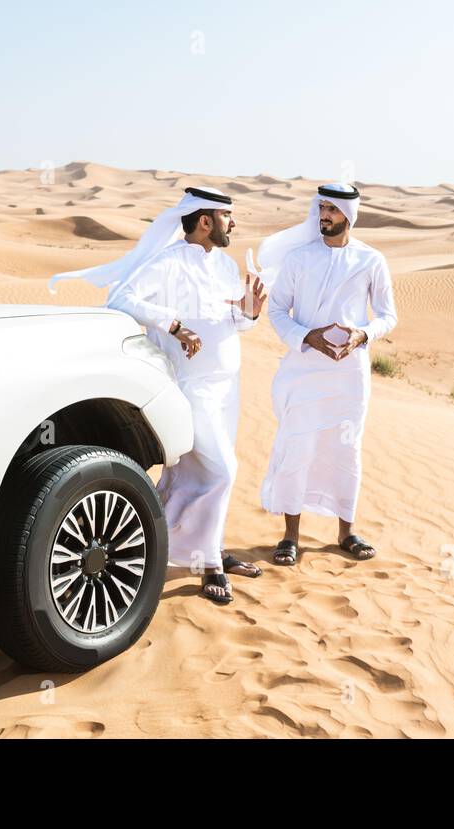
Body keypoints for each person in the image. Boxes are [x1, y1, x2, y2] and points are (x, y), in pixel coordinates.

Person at [49, 186, 266, 605]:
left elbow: (234, 322)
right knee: (221, 471)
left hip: (227, 386)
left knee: (200, 474)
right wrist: (172, 324)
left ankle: (200, 547)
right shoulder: (166, 263)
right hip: (189, 387)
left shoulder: (223, 264)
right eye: (228, 217)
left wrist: (251, 311)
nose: (234, 224)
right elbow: (121, 299)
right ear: (206, 221)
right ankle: (207, 564)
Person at [255, 183, 398, 565]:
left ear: (349, 215)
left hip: (349, 374)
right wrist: (307, 337)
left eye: (332, 210)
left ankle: (346, 532)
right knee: (297, 447)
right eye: (321, 207)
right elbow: (278, 311)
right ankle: (290, 536)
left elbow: (388, 315)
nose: (324, 215)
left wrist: (362, 334)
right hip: (303, 369)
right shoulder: (299, 259)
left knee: (346, 450)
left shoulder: (371, 260)